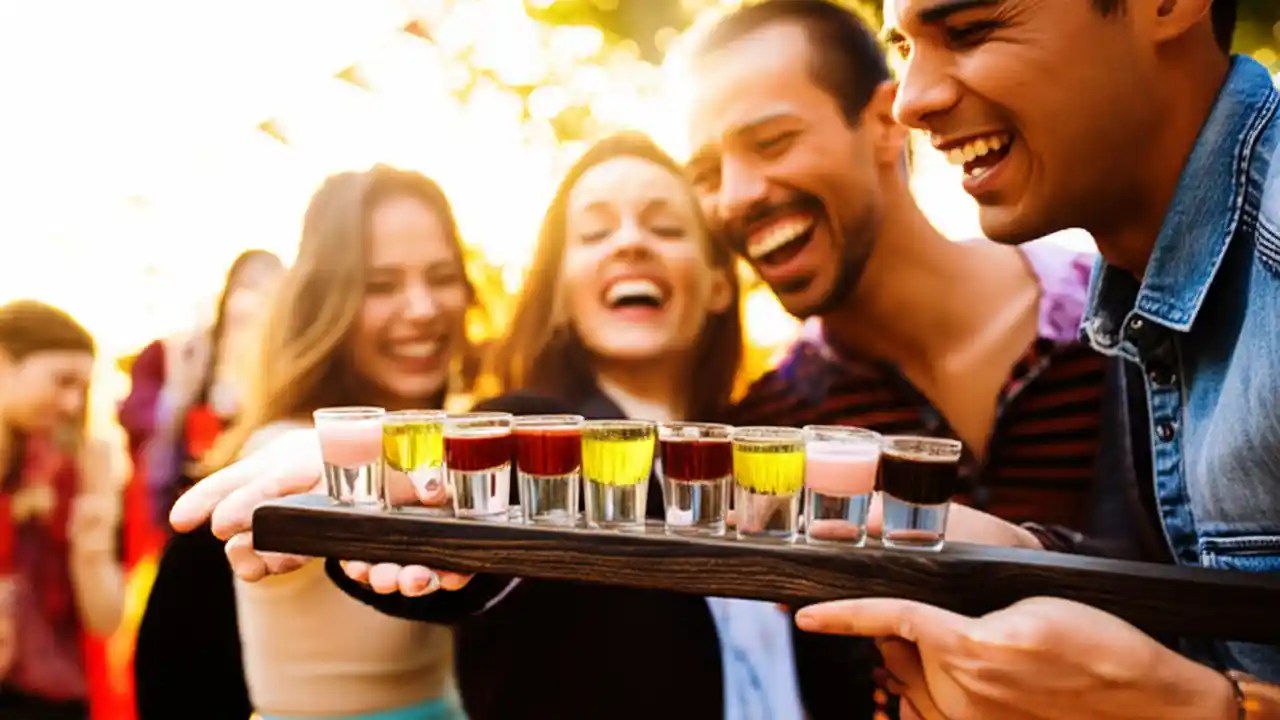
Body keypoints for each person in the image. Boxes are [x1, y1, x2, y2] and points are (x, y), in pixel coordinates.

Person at [175, 133, 868, 719]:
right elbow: (491, 490)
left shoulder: (780, 445)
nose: (629, 244)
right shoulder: (529, 432)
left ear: (720, 281)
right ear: (559, 291)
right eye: (594, 232)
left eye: (662, 226)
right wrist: (407, 483)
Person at [792, 0, 1280, 717]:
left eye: (970, 31)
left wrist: (1200, 710)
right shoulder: (1142, 277)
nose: (912, 102)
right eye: (906, 47)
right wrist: (1018, 557)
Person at [155, 166, 474, 720]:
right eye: (381, 285)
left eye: (442, 276)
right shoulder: (286, 455)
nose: (422, 308)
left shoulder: (443, 437)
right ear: (325, 303)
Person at [132, 249, 284, 720]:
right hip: (198, 542)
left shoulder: (288, 427)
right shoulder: (192, 376)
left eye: (263, 317)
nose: (249, 334)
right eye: (239, 318)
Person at [0, 300, 124, 720]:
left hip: (53, 697)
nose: (73, 403)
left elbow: (105, 617)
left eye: (82, 389)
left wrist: (92, 538)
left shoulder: (83, 464)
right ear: (3, 363)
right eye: (62, 381)